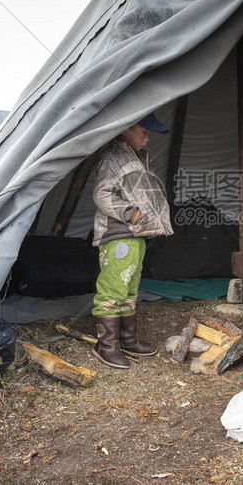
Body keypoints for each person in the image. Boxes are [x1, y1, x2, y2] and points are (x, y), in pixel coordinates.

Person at [90, 113, 173, 368]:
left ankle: (127, 339)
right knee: (113, 288)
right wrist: (129, 211)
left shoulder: (141, 159)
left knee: (129, 288)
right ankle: (106, 345)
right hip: (118, 234)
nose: (147, 138)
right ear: (126, 129)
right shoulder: (113, 157)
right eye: (143, 132)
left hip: (137, 235)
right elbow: (102, 193)